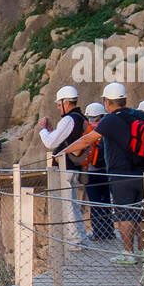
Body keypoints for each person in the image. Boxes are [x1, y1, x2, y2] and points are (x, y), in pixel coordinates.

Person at [63, 82, 144, 264]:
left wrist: (62, 152)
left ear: (107, 102)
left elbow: (87, 140)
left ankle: (128, 253)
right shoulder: (140, 115)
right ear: (124, 99)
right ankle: (142, 251)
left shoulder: (109, 120)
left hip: (122, 174)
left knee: (124, 214)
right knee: (141, 213)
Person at [39, 85, 92, 242]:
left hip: (66, 167)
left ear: (65, 102)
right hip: (75, 166)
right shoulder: (81, 118)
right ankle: (81, 238)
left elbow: (50, 142)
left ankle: (75, 241)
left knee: (68, 206)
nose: (57, 107)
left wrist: (43, 129)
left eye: (58, 104)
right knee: (73, 204)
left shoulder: (69, 119)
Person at [81, 102, 114, 240]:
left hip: (91, 172)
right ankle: (109, 231)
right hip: (106, 171)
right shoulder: (108, 129)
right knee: (106, 201)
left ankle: (98, 232)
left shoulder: (88, 130)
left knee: (95, 203)